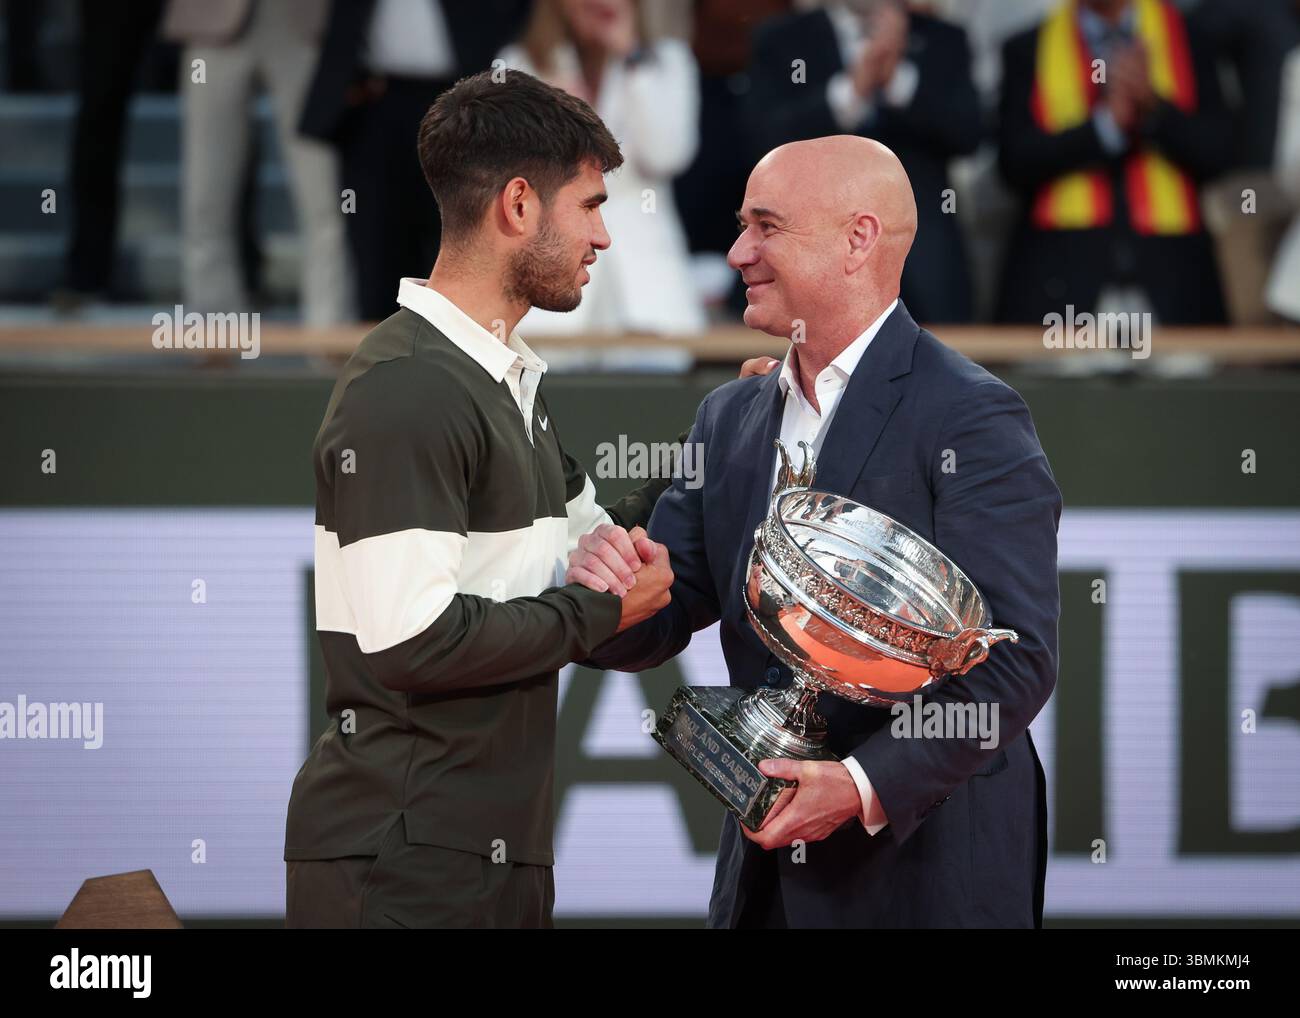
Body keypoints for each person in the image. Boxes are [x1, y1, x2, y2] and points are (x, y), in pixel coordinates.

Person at [573, 135, 1062, 928]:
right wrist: (597, 595)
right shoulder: (727, 415)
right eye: (741, 226)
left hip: (924, 876)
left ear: (857, 240)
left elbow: (1014, 661)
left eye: (765, 226)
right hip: (763, 880)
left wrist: (861, 785)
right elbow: (663, 609)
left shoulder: (972, 415)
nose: (736, 252)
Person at [283, 68, 675, 928]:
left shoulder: (503, 378)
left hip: (487, 852)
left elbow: (609, 539)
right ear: (521, 207)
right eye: (592, 205)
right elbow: (411, 641)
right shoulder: (410, 387)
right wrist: (595, 614)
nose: (604, 236)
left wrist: (733, 438)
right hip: (405, 860)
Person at [745, 0, 982, 324]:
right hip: (809, 252)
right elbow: (764, 139)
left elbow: (969, 133)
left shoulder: (942, 38)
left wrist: (897, 77)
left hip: (925, 262)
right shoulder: (783, 37)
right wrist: (851, 90)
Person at [996, 0, 1231, 324]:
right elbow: (1014, 164)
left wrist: (1153, 106)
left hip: (1173, 281)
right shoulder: (1027, 46)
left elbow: (1219, 155)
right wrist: (1104, 126)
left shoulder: (1194, 39)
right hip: (1063, 282)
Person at [496, 0, 707, 334]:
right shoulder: (518, 63)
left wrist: (632, 57)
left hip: (649, 278)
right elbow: (512, 173)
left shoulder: (666, 60)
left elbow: (668, 155)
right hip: (552, 263)